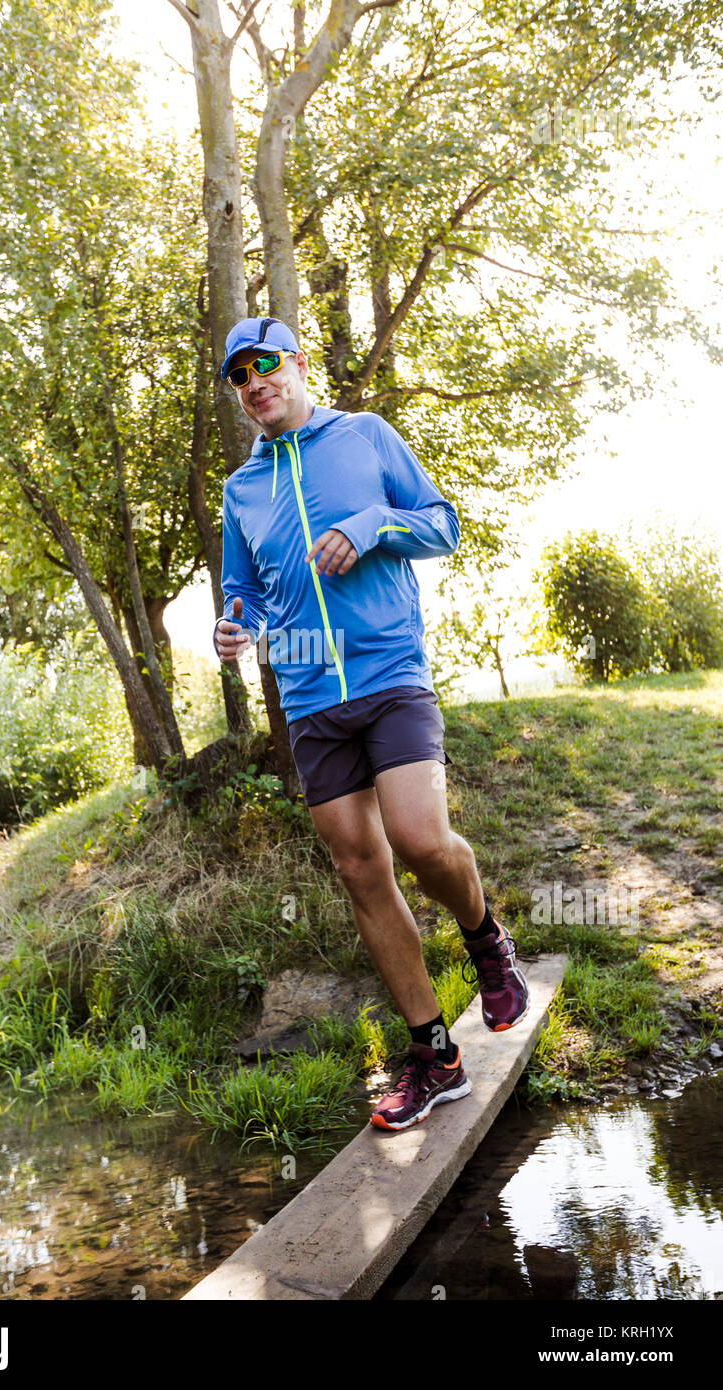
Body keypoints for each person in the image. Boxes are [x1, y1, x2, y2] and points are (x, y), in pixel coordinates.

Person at [213, 315, 529, 1131]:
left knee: (422, 841)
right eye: (240, 375)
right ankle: (434, 1055)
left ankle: (486, 939)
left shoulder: (364, 437)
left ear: (298, 364)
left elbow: (442, 524)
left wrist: (371, 525)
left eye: (266, 365)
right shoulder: (240, 489)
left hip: (390, 673)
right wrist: (233, 621)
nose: (255, 383)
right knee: (360, 871)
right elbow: (242, 587)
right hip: (311, 698)